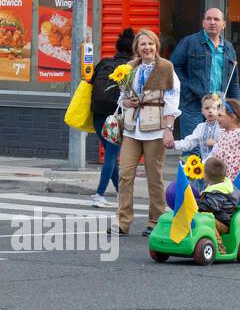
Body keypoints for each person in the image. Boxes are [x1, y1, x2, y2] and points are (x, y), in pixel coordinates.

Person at [115, 29, 179, 237]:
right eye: (143, 44)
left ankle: (156, 221)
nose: (147, 47)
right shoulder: (128, 68)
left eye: (150, 44)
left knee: (154, 177)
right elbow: (121, 97)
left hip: (155, 130)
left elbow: (172, 100)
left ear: (156, 46)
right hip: (132, 129)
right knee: (125, 174)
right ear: (137, 48)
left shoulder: (166, 67)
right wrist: (128, 101)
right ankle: (122, 222)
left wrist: (168, 129)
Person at [171, 8, 240, 139]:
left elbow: (233, 81)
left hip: (219, 107)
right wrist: (188, 91)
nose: (212, 22)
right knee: (193, 148)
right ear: (203, 23)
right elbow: (174, 67)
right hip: (193, 105)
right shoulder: (190, 42)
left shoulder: (228, 48)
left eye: (216, 19)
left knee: (217, 149)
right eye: (208, 19)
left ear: (223, 24)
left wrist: (236, 108)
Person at [89, 28, 135, 208]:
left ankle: (120, 193)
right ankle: (99, 194)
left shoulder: (103, 63)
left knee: (111, 155)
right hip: (117, 118)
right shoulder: (131, 68)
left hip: (98, 114)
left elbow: (90, 85)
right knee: (111, 156)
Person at [208, 98, 240, 181]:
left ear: (232, 117)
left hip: (238, 178)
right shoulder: (220, 134)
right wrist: (206, 164)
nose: (217, 118)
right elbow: (214, 153)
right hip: (222, 178)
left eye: (220, 115)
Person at [170, 93, 224, 161]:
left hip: (221, 165)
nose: (210, 111)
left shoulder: (223, 127)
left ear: (219, 110)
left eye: (214, 108)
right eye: (207, 108)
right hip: (205, 165)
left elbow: (229, 146)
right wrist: (173, 144)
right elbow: (190, 142)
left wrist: (215, 144)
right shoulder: (200, 127)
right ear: (202, 111)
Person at [197, 157, 240, 235]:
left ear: (205, 176)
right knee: (204, 219)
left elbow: (211, 207)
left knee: (207, 221)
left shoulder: (219, 192)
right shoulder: (218, 185)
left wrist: (196, 202)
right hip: (217, 219)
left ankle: (219, 246)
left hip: (222, 223)